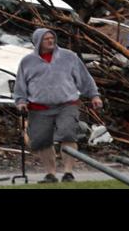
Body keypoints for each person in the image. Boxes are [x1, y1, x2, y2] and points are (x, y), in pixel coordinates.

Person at [12, 28, 101, 183]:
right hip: (38, 107)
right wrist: (20, 101)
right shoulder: (27, 62)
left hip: (67, 104)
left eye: (52, 38)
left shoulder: (69, 57)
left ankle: (68, 172)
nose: (50, 41)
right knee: (42, 141)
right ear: (38, 41)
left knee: (67, 134)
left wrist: (94, 95)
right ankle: (51, 174)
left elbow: (84, 77)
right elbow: (20, 84)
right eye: (46, 39)